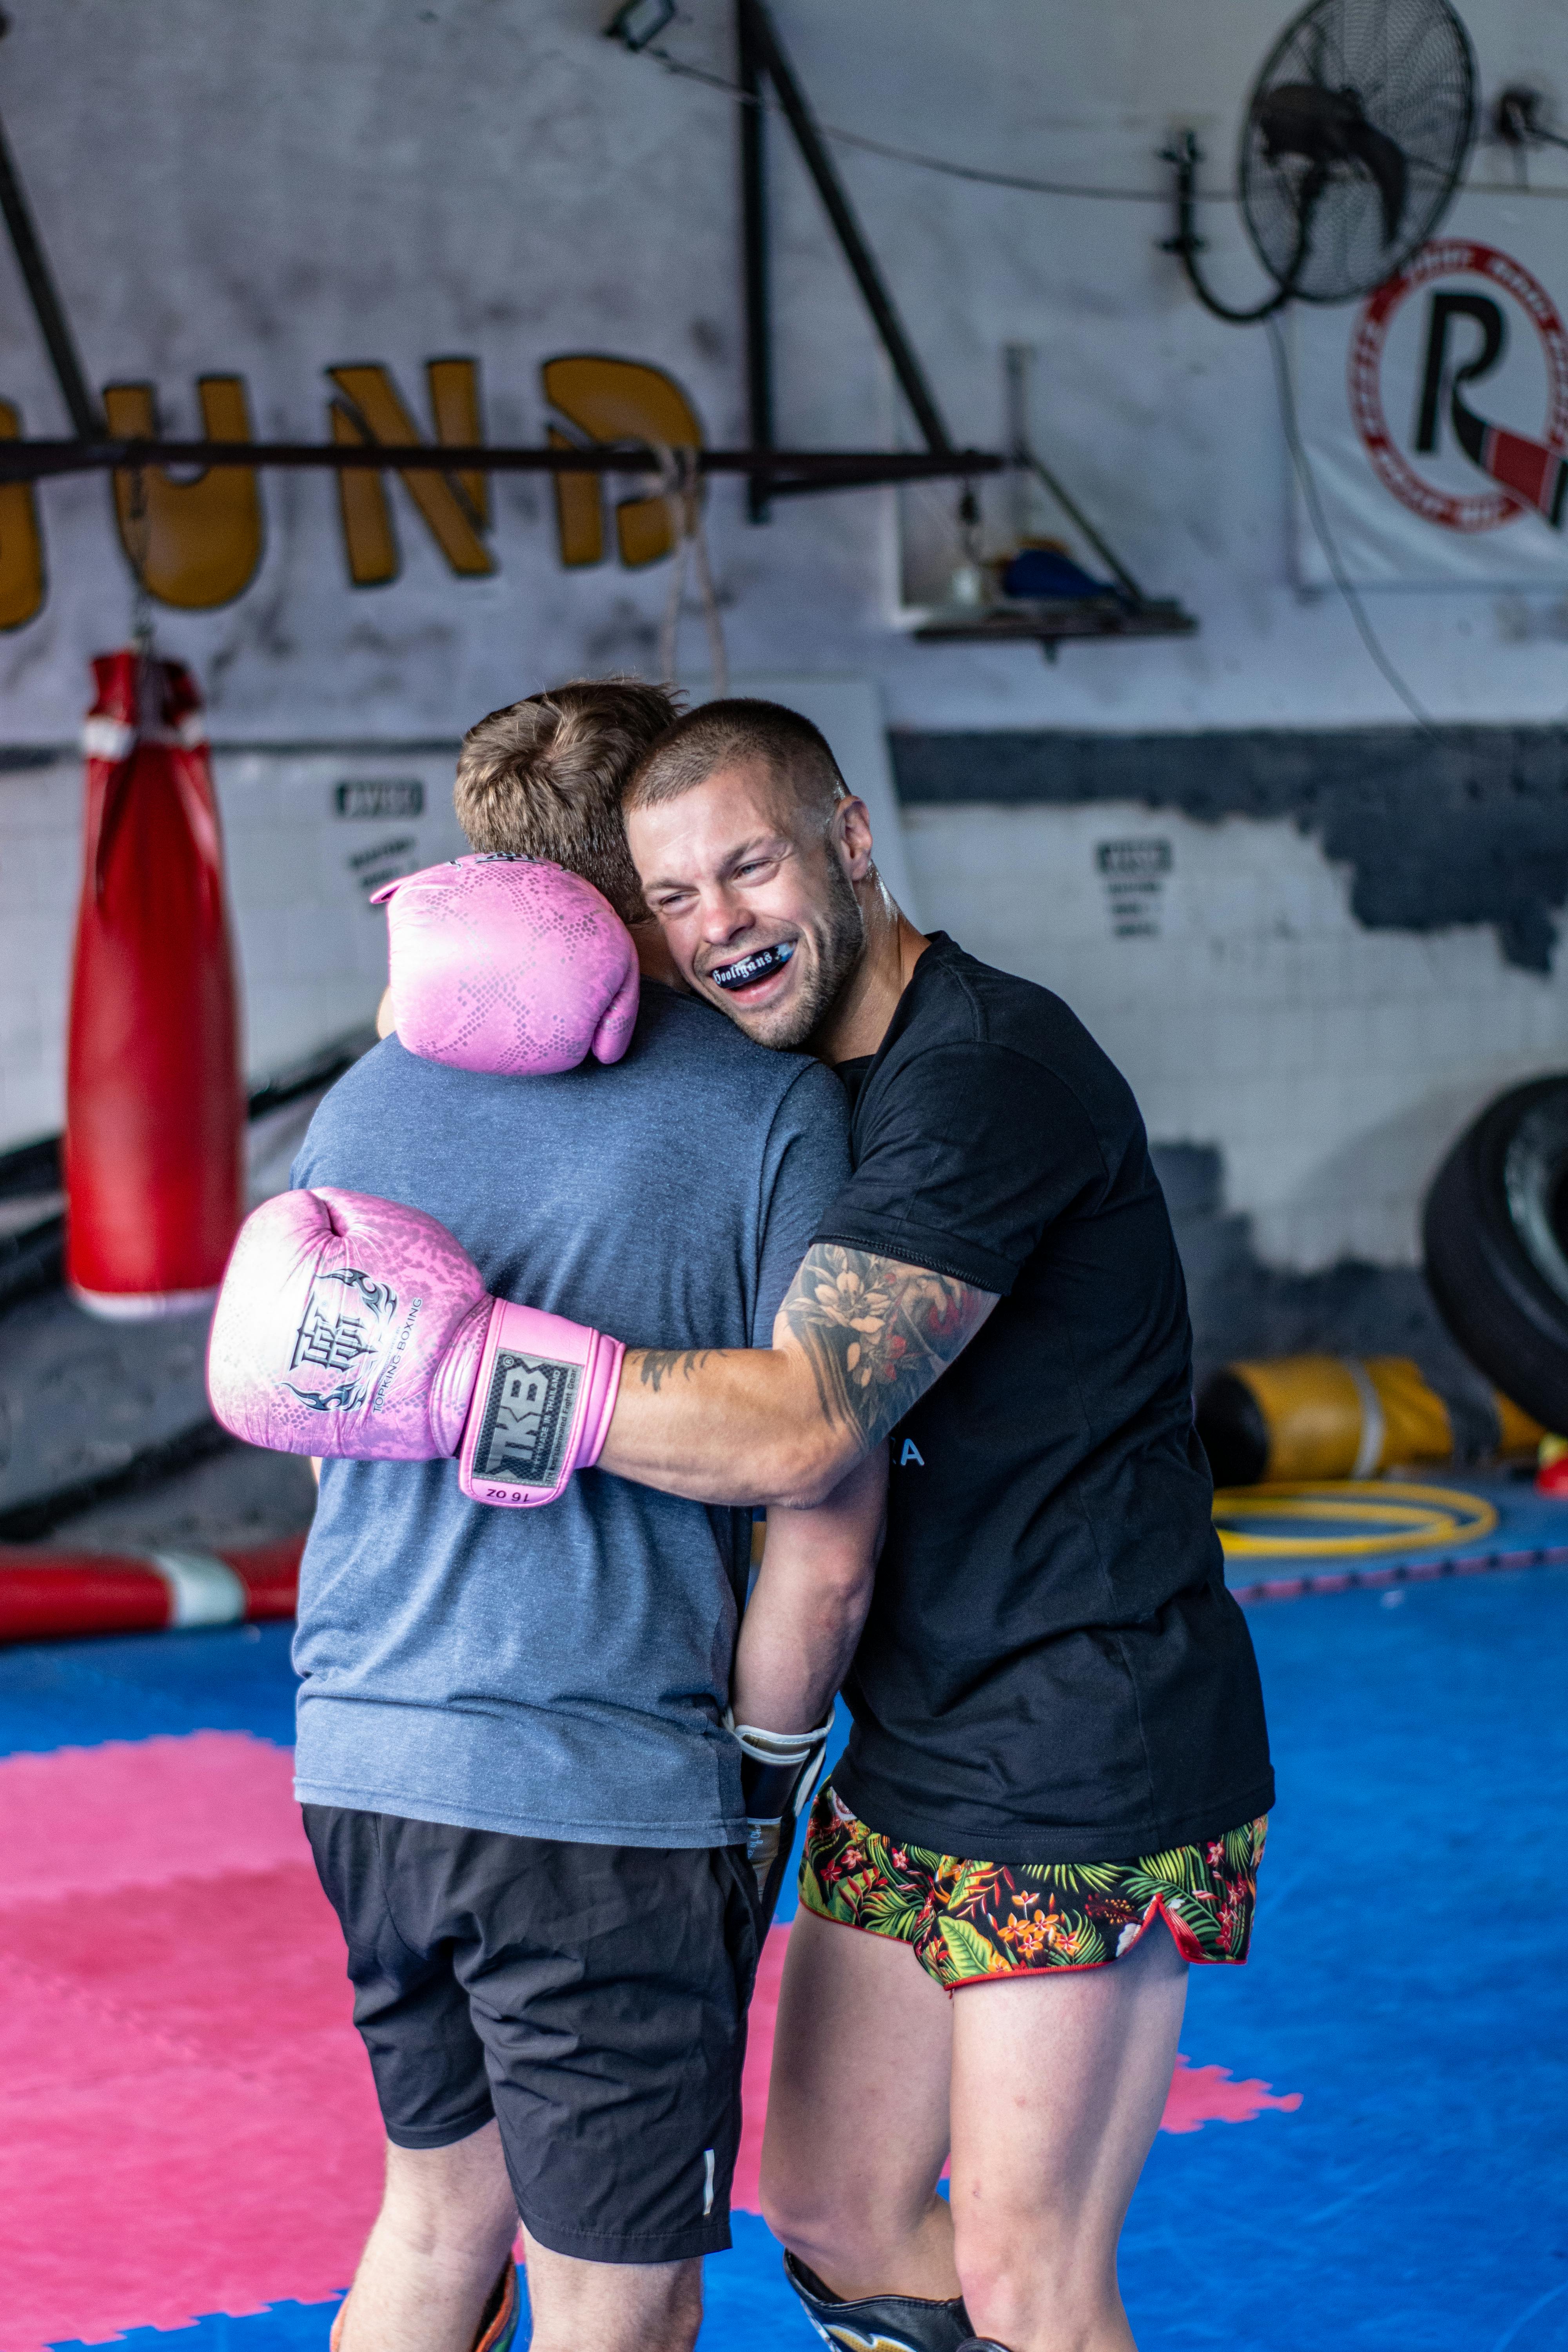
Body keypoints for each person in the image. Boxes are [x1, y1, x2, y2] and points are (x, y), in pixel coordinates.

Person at [422, 695, 1274, 2352]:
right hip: (917, 1736)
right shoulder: (807, 1093)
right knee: (835, 2209)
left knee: (1031, 2277)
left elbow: (811, 1419)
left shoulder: (981, 1077)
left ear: (849, 841)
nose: (717, 926)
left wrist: (466, 1376)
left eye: (747, 869)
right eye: (674, 899)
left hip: (1085, 1732)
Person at [281, 682, 885, 2352]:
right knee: (619, 2312)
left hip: (360, 1758)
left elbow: (321, 1427)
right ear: (640, 860)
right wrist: (761, 1785)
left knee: (430, 2236)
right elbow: (822, 1521)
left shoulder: (365, 1101)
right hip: (592, 1795)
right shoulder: (763, 1111)